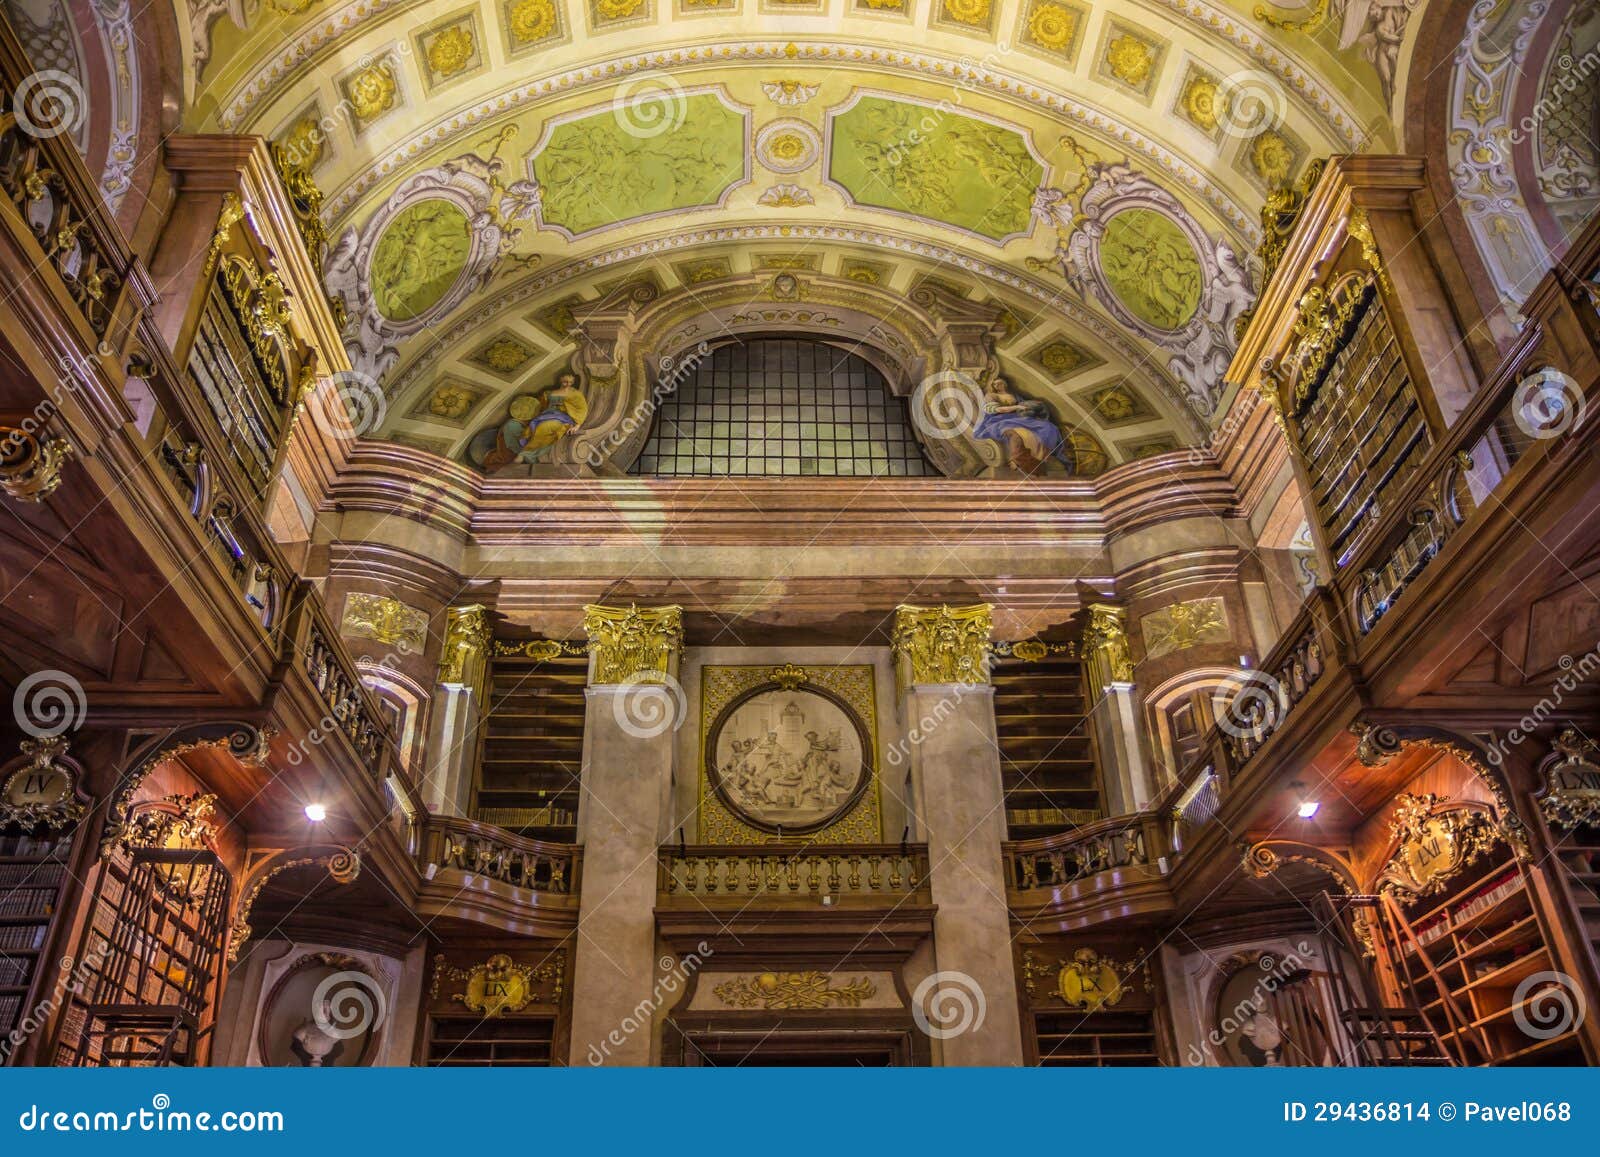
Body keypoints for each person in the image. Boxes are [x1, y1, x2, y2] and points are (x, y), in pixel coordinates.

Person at [972, 375, 1075, 474]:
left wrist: (1033, 405)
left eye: (1000, 383)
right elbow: (995, 409)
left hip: (1020, 418)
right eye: (995, 384)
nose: (998, 385)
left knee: (1049, 427)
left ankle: (1049, 453)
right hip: (999, 420)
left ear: (1005, 383)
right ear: (993, 386)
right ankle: (1020, 460)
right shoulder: (991, 396)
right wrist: (1016, 407)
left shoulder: (1014, 395)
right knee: (1018, 434)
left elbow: (1024, 406)